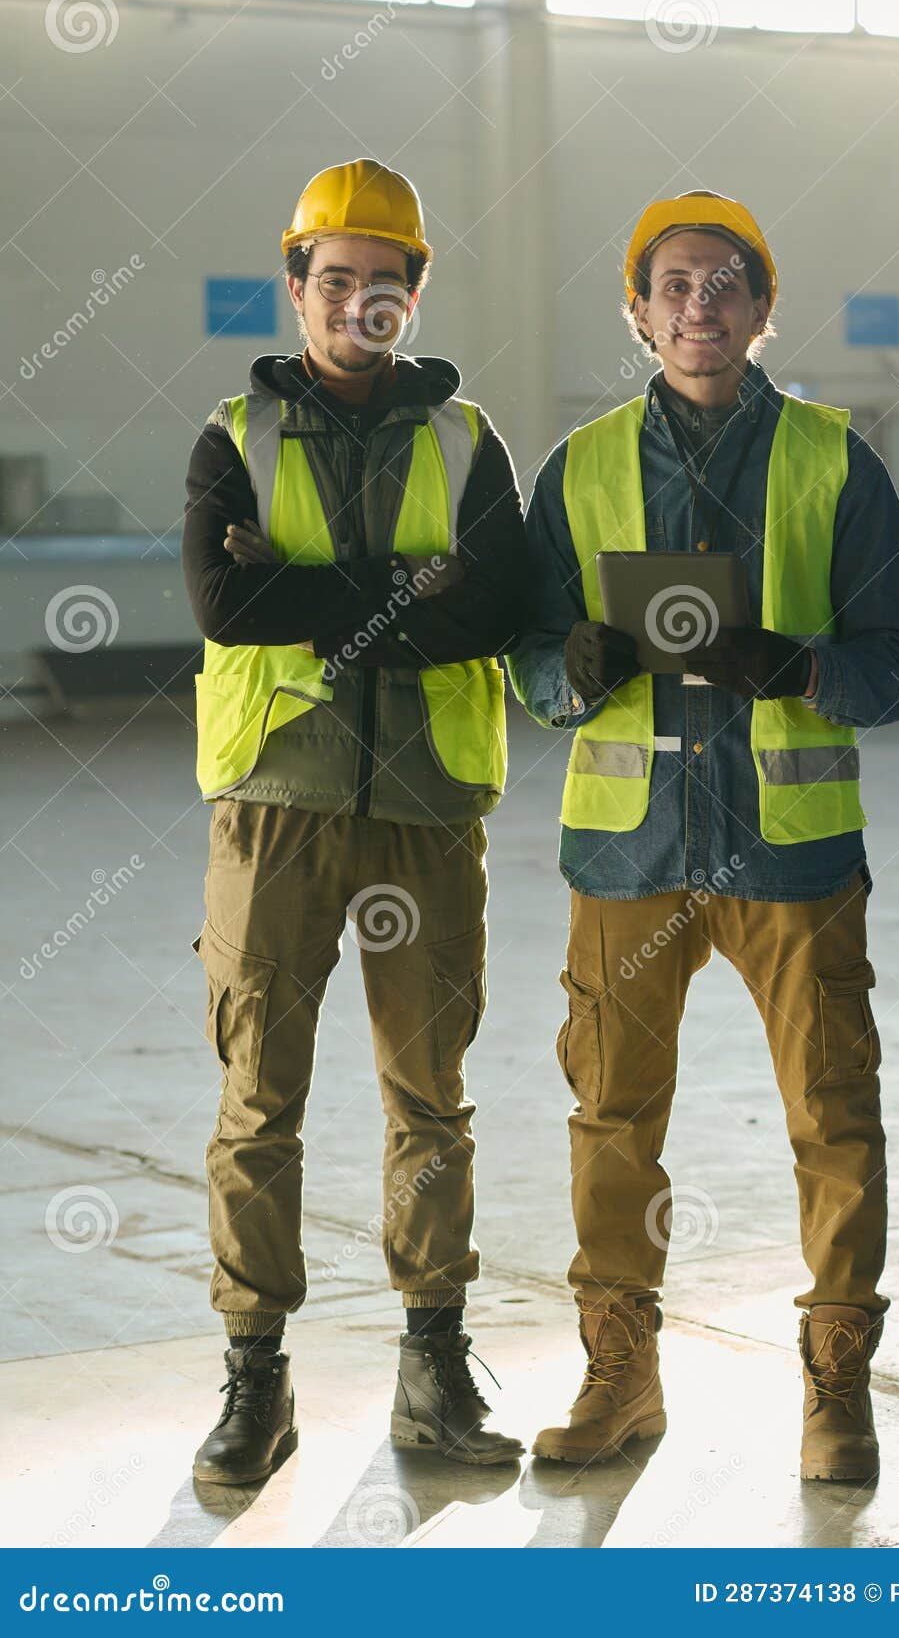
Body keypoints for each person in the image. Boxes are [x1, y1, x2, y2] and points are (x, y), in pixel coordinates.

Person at [507, 189, 899, 1480]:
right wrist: (567, 667)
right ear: (636, 312)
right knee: (611, 1116)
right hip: (629, 854)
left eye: (726, 284)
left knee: (833, 1114)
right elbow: (526, 666)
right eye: (674, 284)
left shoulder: (830, 458)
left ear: (762, 310)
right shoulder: (576, 470)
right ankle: (618, 1373)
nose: (700, 305)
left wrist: (802, 663)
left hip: (788, 856)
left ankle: (835, 1381)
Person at [183, 158, 527, 1483]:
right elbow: (223, 606)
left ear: (413, 294)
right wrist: (401, 589)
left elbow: (492, 607)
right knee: (258, 1098)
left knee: (428, 1100)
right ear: (298, 287)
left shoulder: (465, 440)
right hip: (276, 801)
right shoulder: (233, 434)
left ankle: (430, 1374)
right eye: (337, 279)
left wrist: (320, 587)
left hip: (427, 807)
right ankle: (253, 1380)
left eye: (386, 282)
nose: (360, 302)